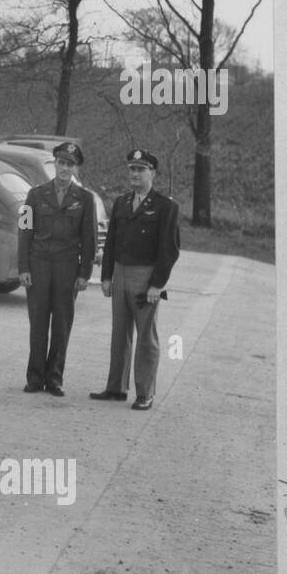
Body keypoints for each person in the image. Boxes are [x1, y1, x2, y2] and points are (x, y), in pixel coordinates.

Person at [90, 148, 181, 411]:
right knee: (119, 333)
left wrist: (157, 284)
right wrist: (106, 276)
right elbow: (112, 244)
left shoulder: (166, 207)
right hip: (120, 273)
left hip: (145, 277)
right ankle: (116, 388)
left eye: (141, 169)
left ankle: (145, 393)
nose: (135, 174)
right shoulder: (121, 203)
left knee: (145, 337)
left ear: (153, 173)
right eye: (132, 169)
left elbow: (169, 250)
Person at [17, 141, 97, 396]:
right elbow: (24, 232)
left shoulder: (85, 199)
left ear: (76, 169)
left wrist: (84, 273)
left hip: (67, 269)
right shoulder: (34, 195)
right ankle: (34, 377)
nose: (64, 168)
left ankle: (54, 378)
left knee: (62, 325)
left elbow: (90, 238)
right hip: (39, 266)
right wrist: (23, 267)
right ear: (55, 165)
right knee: (38, 323)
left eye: (70, 164)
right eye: (61, 163)